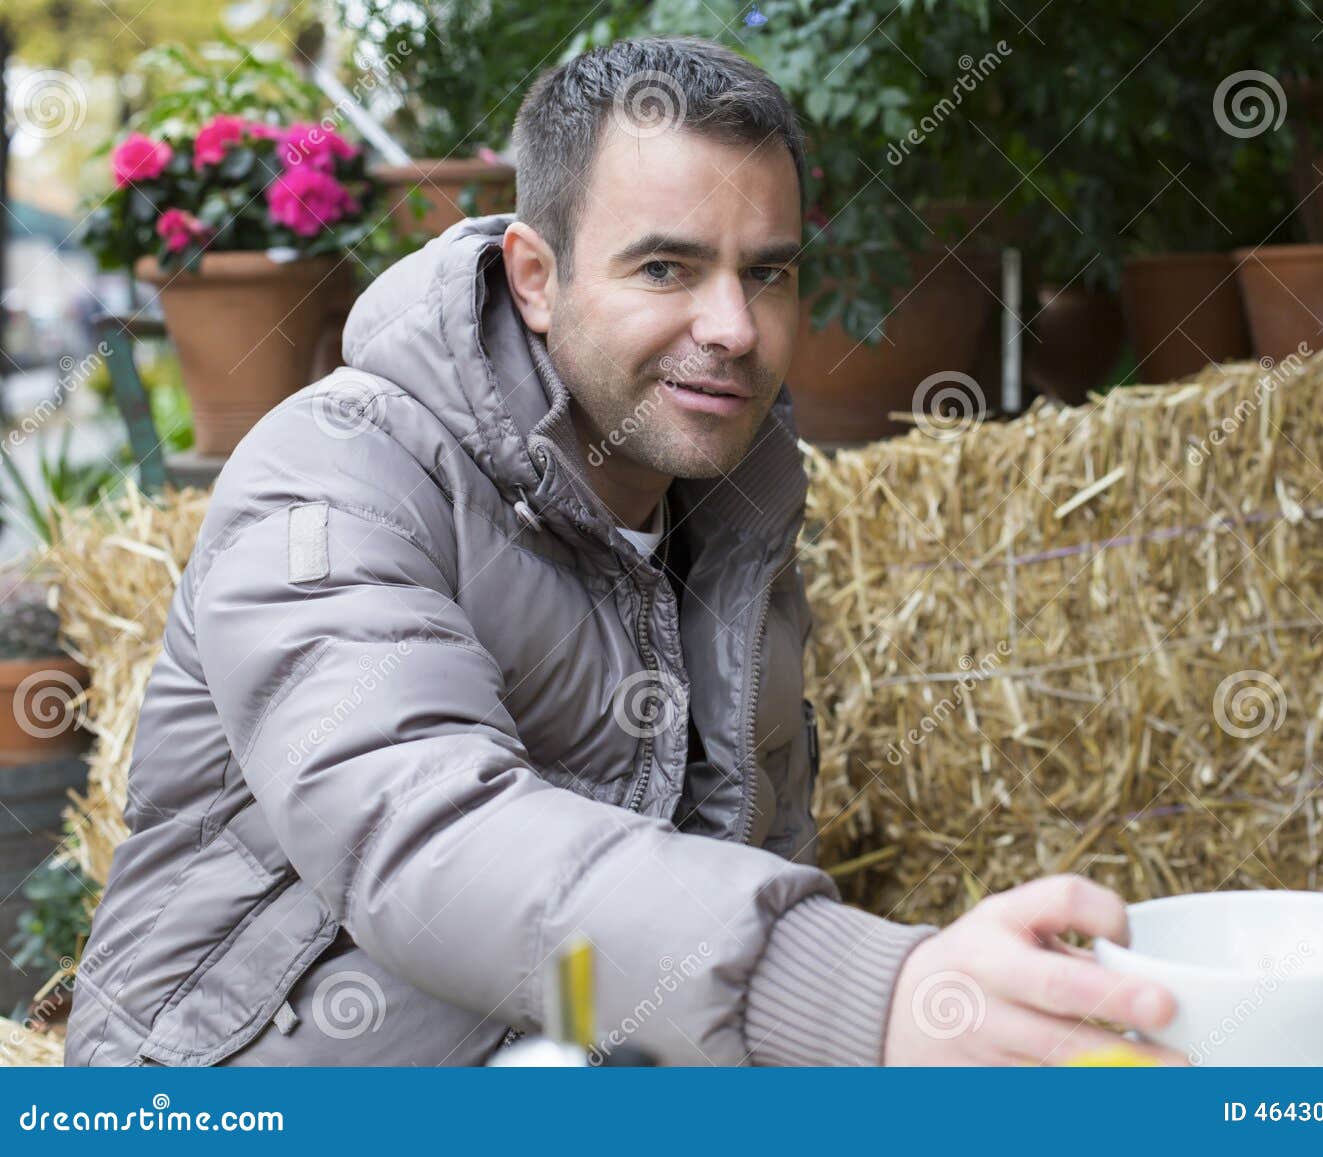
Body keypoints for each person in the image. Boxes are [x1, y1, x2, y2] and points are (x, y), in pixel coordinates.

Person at [65, 35, 1177, 1067]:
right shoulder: (334, 469)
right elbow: (423, 831)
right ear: (537, 277)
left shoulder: (733, 503)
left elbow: (756, 860)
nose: (735, 327)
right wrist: (861, 992)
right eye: (665, 268)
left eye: (769, 272)